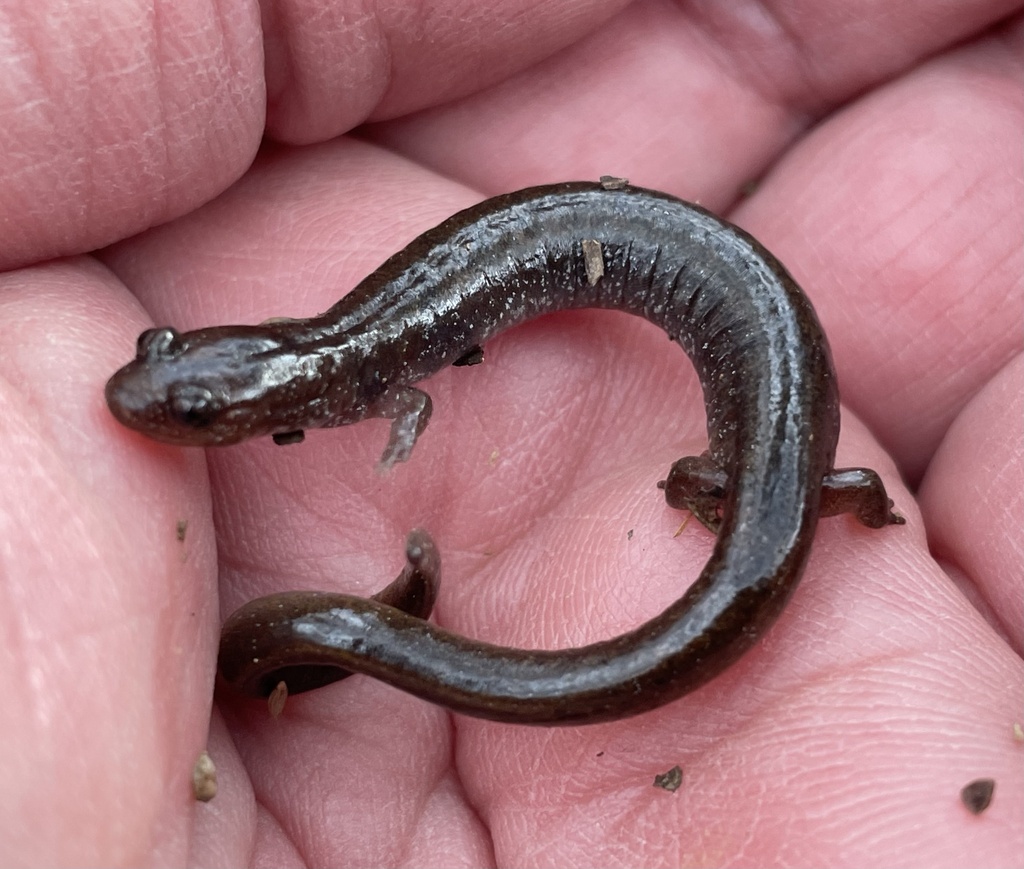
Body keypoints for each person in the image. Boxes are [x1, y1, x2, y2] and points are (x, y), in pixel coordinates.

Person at [1, 1, 1021, 865]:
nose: (148, 409)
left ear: (260, 415)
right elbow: (813, 488)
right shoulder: (795, 485)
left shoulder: (357, 375)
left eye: (187, 407)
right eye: (180, 383)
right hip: (747, 402)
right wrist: (841, 505)